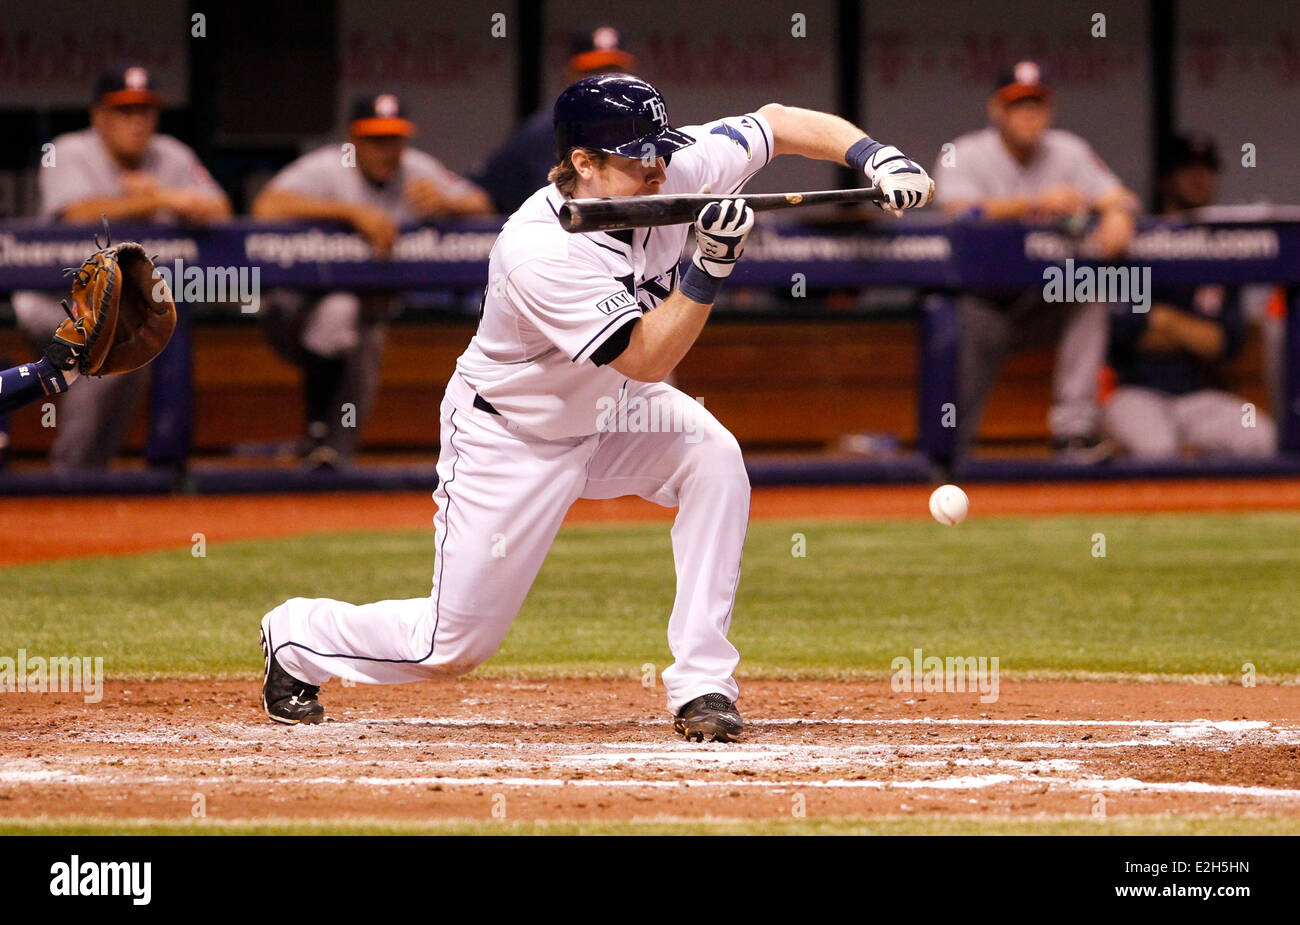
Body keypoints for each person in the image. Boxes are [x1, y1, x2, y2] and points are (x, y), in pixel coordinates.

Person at [257, 74, 933, 741]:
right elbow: (646, 358)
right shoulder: (540, 249)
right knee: (451, 646)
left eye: (661, 149)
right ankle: (296, 634)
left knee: (714, 459)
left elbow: (780, 121)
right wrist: (711, 266)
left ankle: (703, 681)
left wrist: (875, 156)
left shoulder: (674, 166)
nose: (660, 168)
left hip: (614, 411)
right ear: (583, 163)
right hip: (515, 433)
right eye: (640, 157)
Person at [252, 93, 493, 468]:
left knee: (349, 325)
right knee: (337, 310)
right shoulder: (329, 166)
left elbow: (480, 205)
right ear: (354, 140)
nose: (386, 150)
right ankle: (318, 438)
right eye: (374, 139)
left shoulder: (417, 168)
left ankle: (327, 455)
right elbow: (266, 207)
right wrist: (348, 213)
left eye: (393, 139)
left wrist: (450, 203)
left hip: (368, 314)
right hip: (295, 312)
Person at [11, 65, 231, 468]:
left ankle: (83, 475)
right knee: (108, 339)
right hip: (49, 301)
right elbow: (78, 214)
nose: (137, 122)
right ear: (99, 117)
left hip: (115, 307)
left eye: (145, 111)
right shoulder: (68, 150)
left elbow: (219, 208)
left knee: (120, 345)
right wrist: (159, 202)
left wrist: (161, 193)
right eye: (125, 112)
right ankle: (72, 477)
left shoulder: (172, 154)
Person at [932, 60, 1140, 462]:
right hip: (982, 304)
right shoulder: (965, 152)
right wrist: (1031, 204)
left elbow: (1123, 196)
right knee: (955, 417)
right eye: (1018, 104)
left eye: (1037, 104)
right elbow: (958, 213)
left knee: (1092, 291)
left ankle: (1074, 433)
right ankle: (948, 458)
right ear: (997, 110)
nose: (1029, 114)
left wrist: (1117, 212)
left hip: (1042, 301)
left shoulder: (1070, 150)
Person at [1102, 133, 1275, 459]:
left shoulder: (1222, 253)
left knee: (1259, 436)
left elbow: (1225, 343)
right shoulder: (1134, 242)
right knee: (1157, 450)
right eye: (1188, 168)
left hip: (1200, 397)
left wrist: (1167, 321)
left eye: (1206, 169)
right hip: (1134, 395)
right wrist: (1193, 332)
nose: (1199, 177)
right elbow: (1125, 332)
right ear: (1166, 177)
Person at [473, 25, 638, 215]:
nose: (605, 82)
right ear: (572, 76)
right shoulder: (543, 131)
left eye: (614, 72)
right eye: (594, 73)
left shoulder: (644, 129)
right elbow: (486, 196)